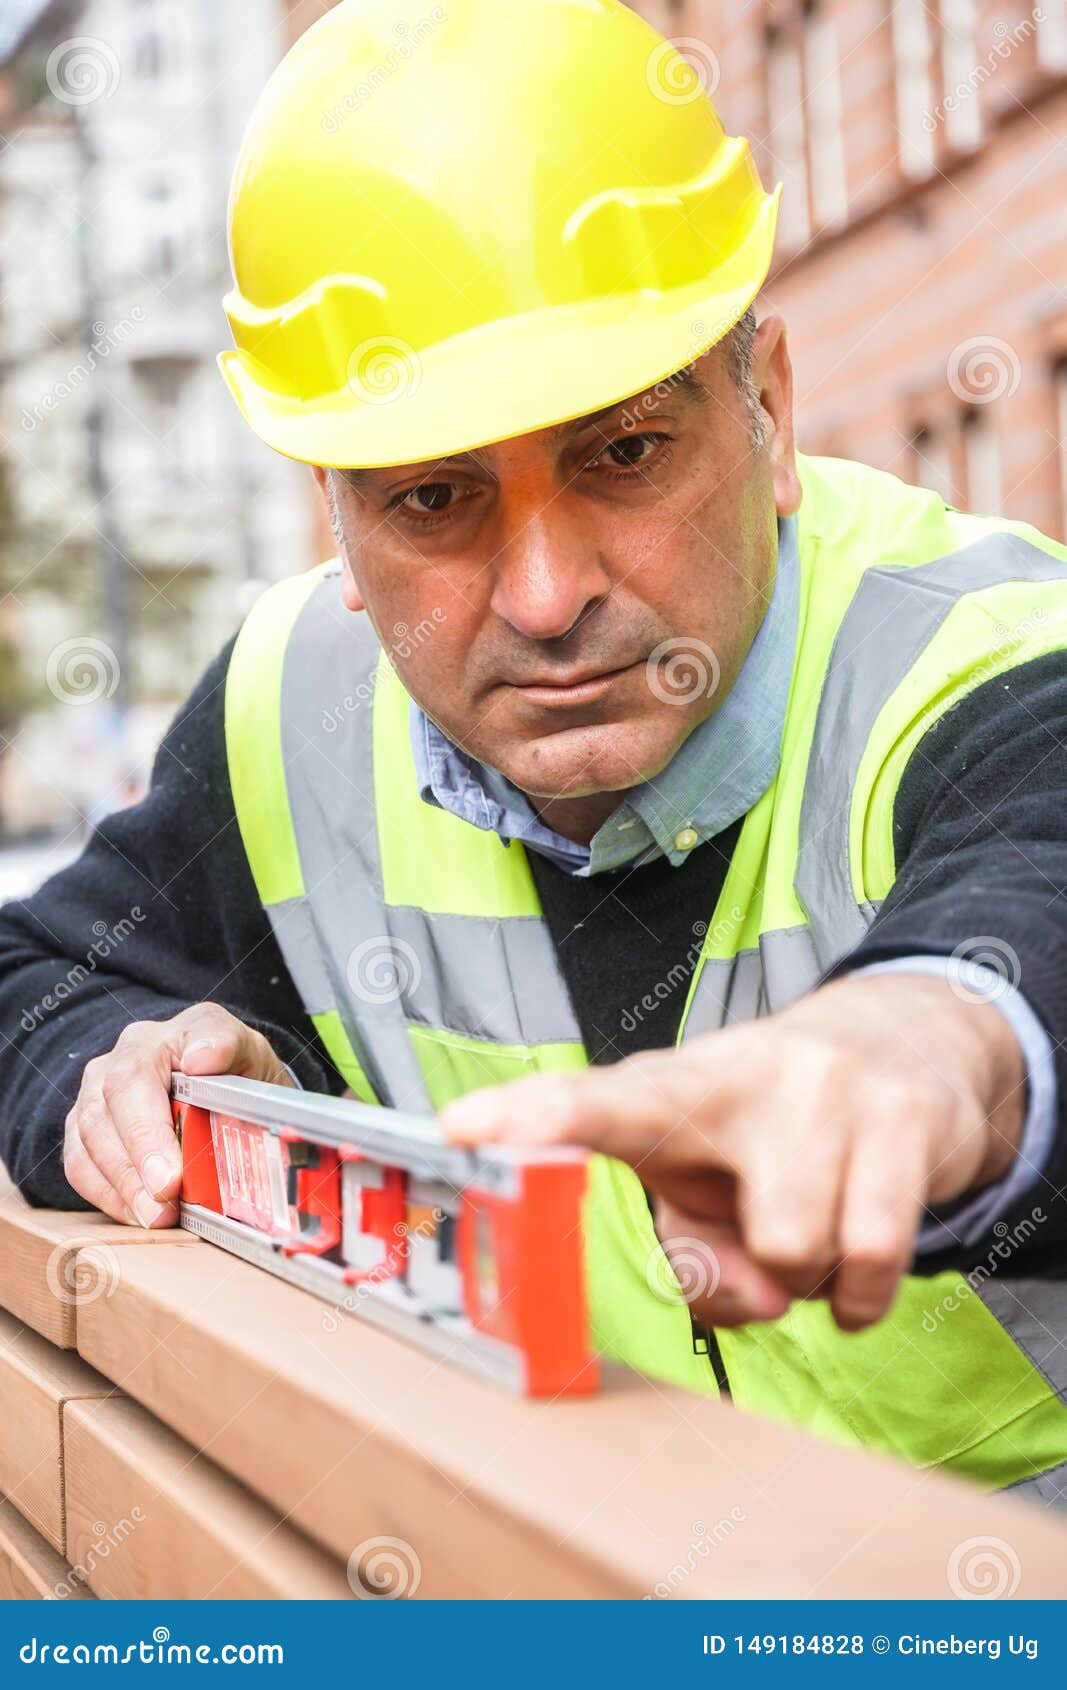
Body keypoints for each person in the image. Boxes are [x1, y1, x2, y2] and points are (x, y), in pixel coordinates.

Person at [3, 0, 1067, 1506]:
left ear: (766, 408)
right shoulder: (286, 708)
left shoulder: (987, 655)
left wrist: (936, 1043)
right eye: (434, 500)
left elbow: (1041, 886)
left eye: (623, 452)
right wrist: (113, 1077)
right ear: (337, 515)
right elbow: (41, 974)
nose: (546, 593)